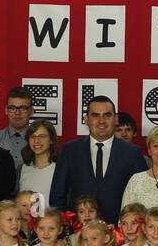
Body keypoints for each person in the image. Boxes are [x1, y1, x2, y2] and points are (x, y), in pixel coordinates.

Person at [50, 95, 148, 225]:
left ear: (116, 119)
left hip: (120, 234)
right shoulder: (70, 150)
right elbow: (58, 195)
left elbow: (141, 196)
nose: (101, 121)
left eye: (107, 115)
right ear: (86, 119)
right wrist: (61, 231)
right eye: (95, 115)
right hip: (79, 235)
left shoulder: (132, 153)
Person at [0, 86, 35, 175]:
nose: (17, 113)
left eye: (23, 108)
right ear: (6, 110)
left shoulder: (40, 142)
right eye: (12, 108)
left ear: (31, 111)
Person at [17, 119, 58, 213]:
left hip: (50, 225)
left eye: (42, 136)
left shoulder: (60, 170)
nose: (36, 141)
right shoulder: (21, 169)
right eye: (32, 136)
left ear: (51, 140)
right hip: (26, 226)